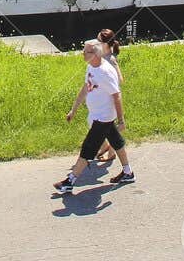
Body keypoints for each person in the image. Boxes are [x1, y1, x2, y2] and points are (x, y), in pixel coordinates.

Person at [54, 40, 134, 194]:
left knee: (88, 148)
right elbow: (86, 87)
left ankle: (70, 181)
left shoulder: (105, 72)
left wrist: (121, 120)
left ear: (96, 54)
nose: (82, 53)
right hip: (99, 115)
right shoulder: (91, 66)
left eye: (86, 52)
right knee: (117, 142)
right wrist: (73, 109)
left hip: (103, 118)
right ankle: (128, 172)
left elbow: (117, 96)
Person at [93, 29, 123, 163]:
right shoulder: (103, 55)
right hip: (103, 96)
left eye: (98, 41)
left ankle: (110, 151)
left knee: (109, 126)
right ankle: (106, 147)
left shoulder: (110, 59)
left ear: (105, 44)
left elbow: (120, 79)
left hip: (110, 97)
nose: (96, 43)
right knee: (102, 124)